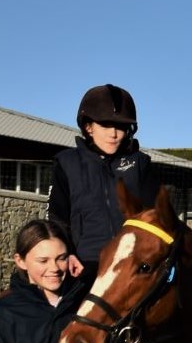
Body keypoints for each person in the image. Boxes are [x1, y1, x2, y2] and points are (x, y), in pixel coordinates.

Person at [48, 84, 159, 277]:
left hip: (132, 266)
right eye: (105, 125)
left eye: (121, 126)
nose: (114, 134)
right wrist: (68, 255)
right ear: (88, 127)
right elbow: (58, 220)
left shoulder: (140, 163)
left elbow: (155, 216)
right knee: (66, 307)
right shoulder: (67, 163)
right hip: (83, 265)